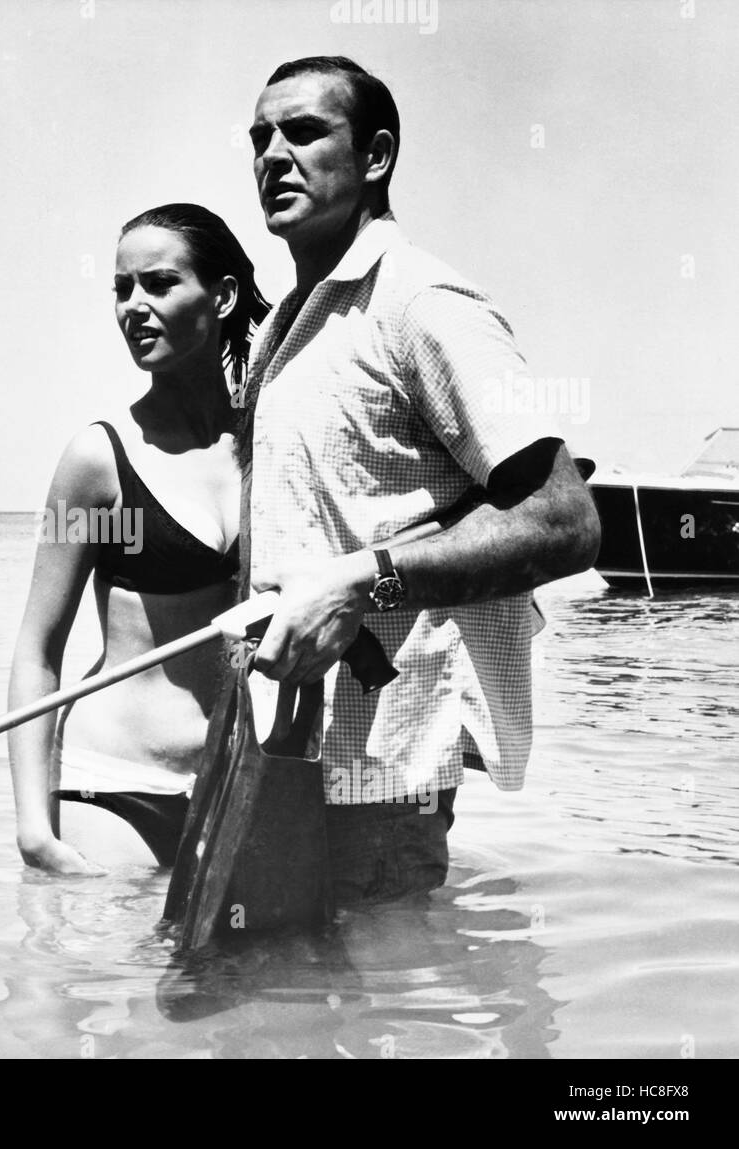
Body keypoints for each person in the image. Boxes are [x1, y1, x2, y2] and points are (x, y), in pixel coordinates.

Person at [238, 57, 601, 904]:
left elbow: (566, 521)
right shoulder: (282, 330)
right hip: (289, 744)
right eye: (259, 138)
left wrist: (364, 581)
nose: (272, 156)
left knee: (396, 1008)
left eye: (303, 132)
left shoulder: (426, 303)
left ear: (376, 156)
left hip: (388, 757)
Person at [7, 204, 270, 874]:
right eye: (122, 289)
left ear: (224, 297)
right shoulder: (96, 463)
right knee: (99, 981)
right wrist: (35, 829)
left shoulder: (270, 447)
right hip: (112, 786)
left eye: (158, 284)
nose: (134, 307)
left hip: (234, 781)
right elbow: (40, 648)